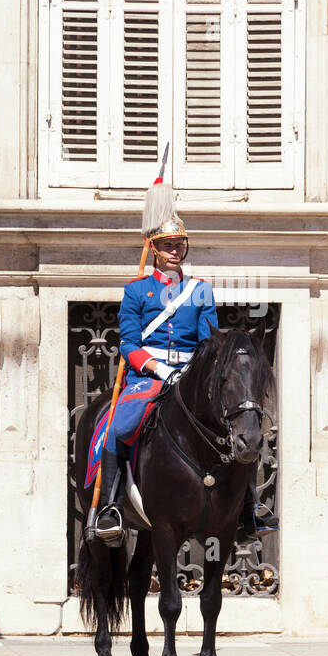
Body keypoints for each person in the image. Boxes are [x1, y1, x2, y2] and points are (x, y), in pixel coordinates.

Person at [93, 203, 279, 545]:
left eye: (179, 245)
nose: (174, 251)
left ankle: (249, 508)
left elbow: (208, 341)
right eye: (167, 245)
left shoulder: (200, 291)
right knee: (119, 426)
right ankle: (111, 507)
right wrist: (158, 368)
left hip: (192, 375)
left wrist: (196, 371)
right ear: (153, 249)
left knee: (240, 427)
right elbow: (129, 344)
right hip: (148, 376)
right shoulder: (136, 290)